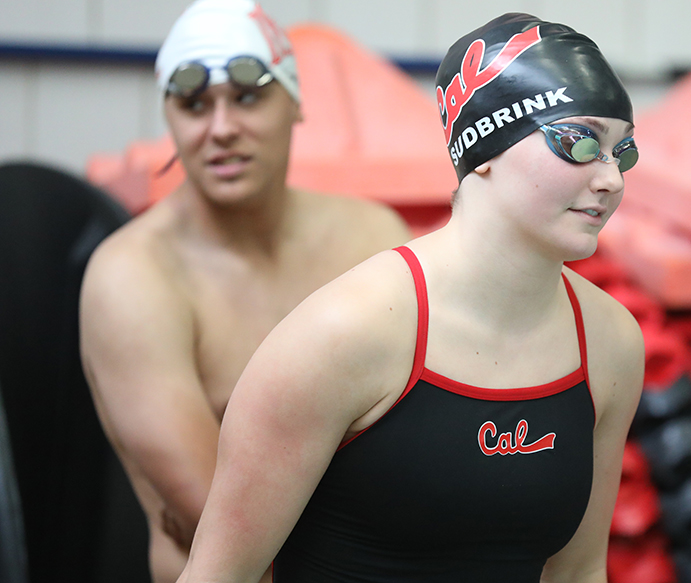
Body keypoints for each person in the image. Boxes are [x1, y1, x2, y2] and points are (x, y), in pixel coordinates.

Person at [177, 12, 644, 583]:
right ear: (485, 148)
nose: (612, 179)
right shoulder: (341, 337)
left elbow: (577, 574)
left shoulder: (609, 343)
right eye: (581, 143)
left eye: (621, 151)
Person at [78, 1, 411, 582]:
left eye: (249, 96)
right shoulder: (133, 277)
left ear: (296, 103)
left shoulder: (371, 234)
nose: (222, 128)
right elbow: (229, 532)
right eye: (193, 105)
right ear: (170, 118)